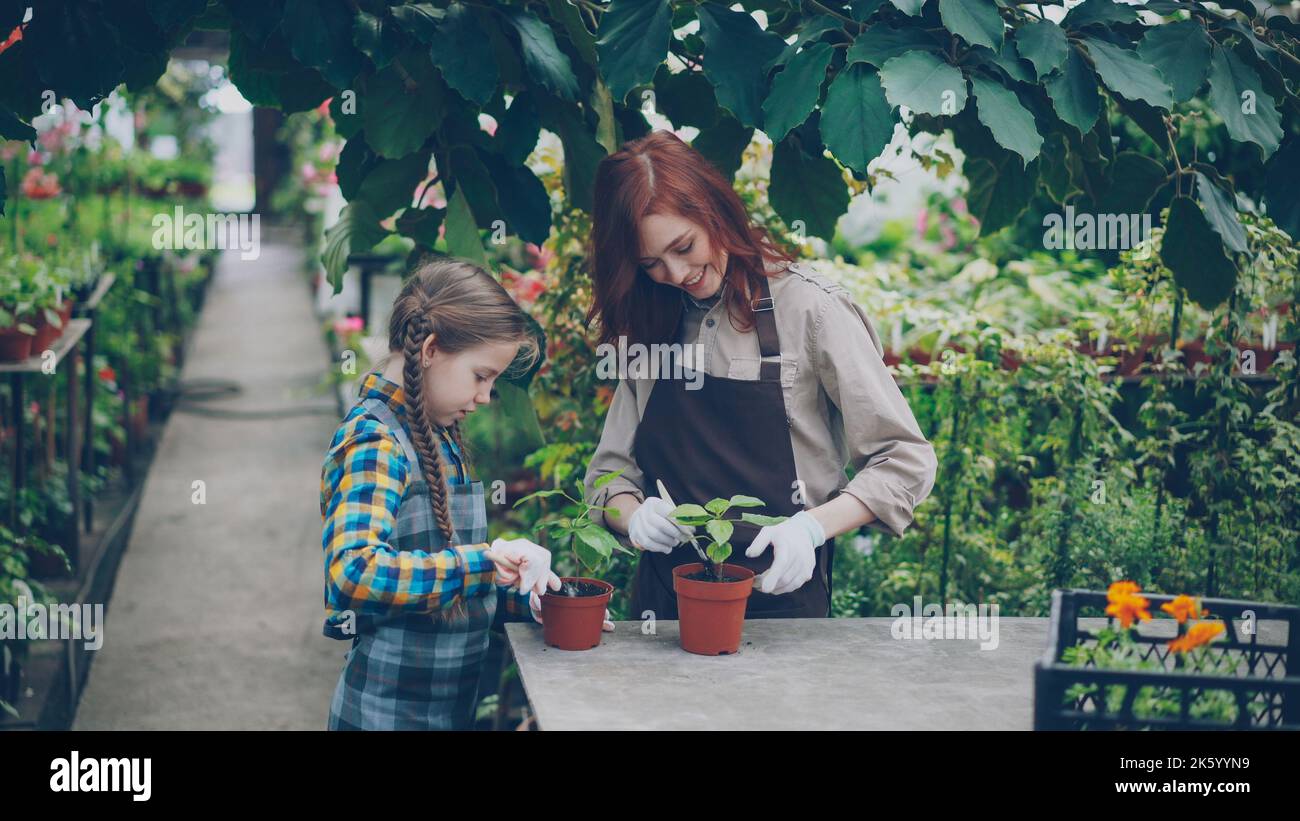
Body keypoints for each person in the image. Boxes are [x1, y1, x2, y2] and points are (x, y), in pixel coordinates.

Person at [583, 130, 938, 621]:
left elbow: (905, 460)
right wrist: (634, 515)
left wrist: (810, 529)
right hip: (663, 613)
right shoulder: (652, 321)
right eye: (651, 264)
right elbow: (609, 475)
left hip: (783, 600)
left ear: (714, 210)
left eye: (684, 246)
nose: (676, 272)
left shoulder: (811, 310)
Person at [321, 257, 576, 730]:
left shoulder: (437, 434)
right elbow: (353, 572)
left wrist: (536, 599)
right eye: (481, 376)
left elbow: (446, 579)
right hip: (385, 718)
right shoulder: (375, 441)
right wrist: (483, 560)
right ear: (431, 350)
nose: (485, 396)